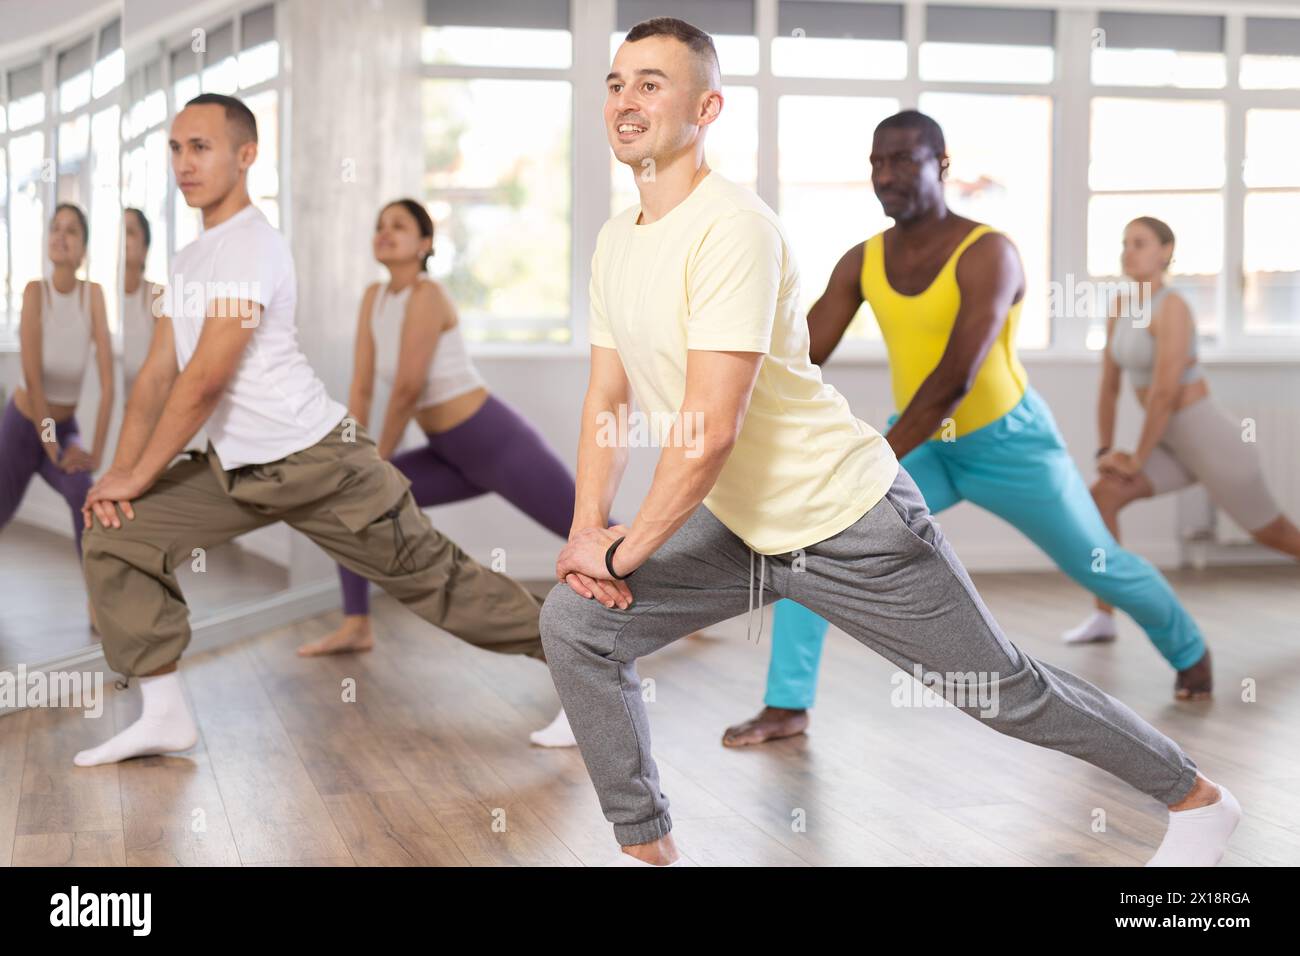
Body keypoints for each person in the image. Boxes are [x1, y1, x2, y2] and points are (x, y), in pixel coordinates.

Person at [538, 19, 1240, 867]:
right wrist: (587, 534)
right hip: (747, 526)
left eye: (652, 82)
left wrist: (625, 552)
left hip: (851, 519)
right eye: (616, 82)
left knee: (1004, 692)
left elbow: (711, 427)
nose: (626, 100)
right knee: (577, 623)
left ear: (706, 105)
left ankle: (1197, 799)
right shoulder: (618, 242)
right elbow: (607, 397)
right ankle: (647, 850)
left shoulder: (734, 229)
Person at [75, 93, 570, 768]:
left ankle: (586, 663)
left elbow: (206, 379)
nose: (184, 163)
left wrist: (139, 471)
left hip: (319, 460)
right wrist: (119, 477)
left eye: (202, 147)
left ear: (245, 156)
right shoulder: (189, 263)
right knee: (117, 531)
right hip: (240, 469)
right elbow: (156, 381)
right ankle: (163, 716)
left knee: (439, 583)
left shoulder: (253, 243)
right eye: (175, 148)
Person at [723, 112, 1216, 753]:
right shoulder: (863, 261)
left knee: (1099, 564)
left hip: (1010, 444)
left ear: (943, 165)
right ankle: (785, 704)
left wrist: (871, 459)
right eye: (877, 162)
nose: (887, 175)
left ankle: (1190, 650)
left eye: (903, 160)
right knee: (815, 543)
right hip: (923, 442)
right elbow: (801, 355)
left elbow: (956, 377)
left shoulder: (990, 252)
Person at [1063, 216, 1300, 643]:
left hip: (1213, 445)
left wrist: (1136, 456)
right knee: (1103, 496)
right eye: (1124, 242)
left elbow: (1165, 394)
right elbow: (1109, 386)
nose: (1128, 251)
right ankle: (1103, 615)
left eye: (1140, 242)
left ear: (1166, 252)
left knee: (1276, 535)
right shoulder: (1119, 306)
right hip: (1170, 446)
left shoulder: (1173, 307)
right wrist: (1104, 451)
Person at [0, 203, 113, 595]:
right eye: (55, 228)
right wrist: (51, 450)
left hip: (64, 430)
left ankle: (97, 601)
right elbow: (32, 376)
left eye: (72, 231)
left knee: (84, 492)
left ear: (83, 250)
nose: (61, 236)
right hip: (20, 428)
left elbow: (109, 383)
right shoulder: (35, 293)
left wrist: (95, 453)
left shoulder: (93, 297)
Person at [121, 207, 165, 394]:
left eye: (129, 232)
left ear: (145, 248)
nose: (121, 239)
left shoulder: (159, 297)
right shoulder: (96, 298)